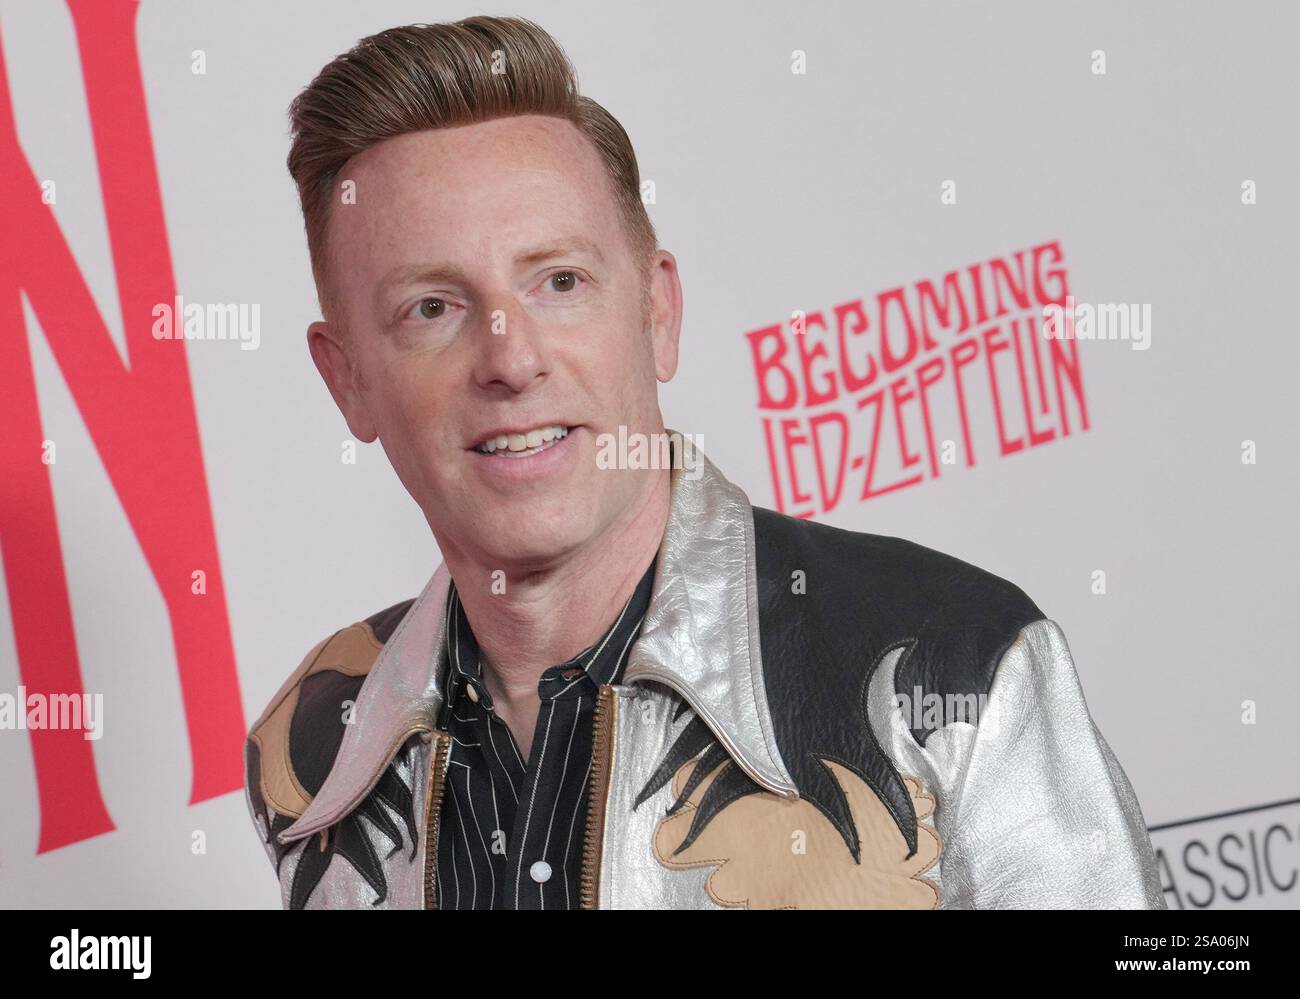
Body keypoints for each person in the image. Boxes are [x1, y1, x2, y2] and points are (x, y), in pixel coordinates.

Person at [242, 15, 1165, 910]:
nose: (511, 358)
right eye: (432, 308)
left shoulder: (958, 668)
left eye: (559, 282)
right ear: (348, 380)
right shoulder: (316, 738)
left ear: (657, 314)